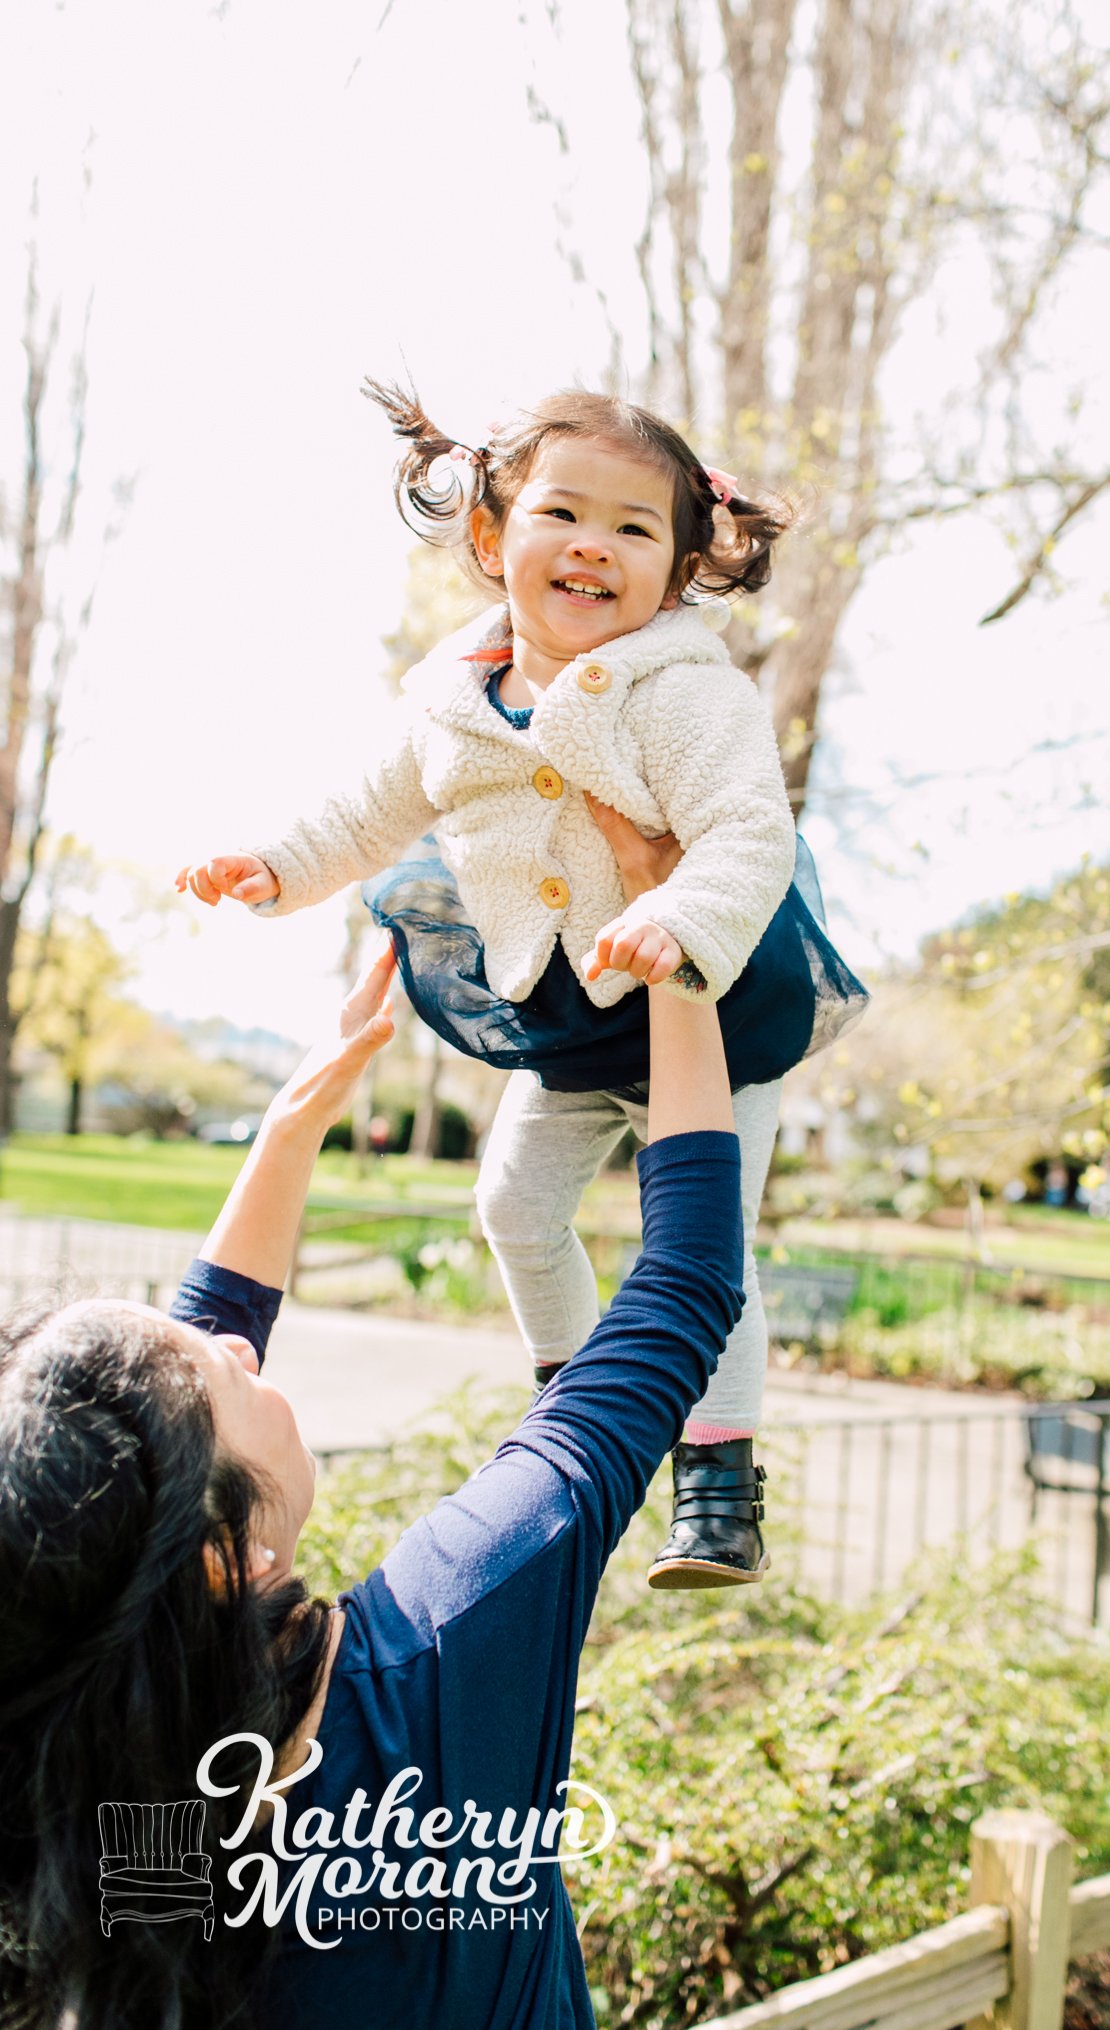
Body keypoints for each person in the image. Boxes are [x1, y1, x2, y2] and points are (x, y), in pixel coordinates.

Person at [0, 806, 748, 2030]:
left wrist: (292, 1125)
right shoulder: (450, 1646)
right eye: (226, 1372)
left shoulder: (123, 1799)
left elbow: (132, 1486)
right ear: (222, 1560)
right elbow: (685, 1286)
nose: (241, 1338)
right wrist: (678, 944)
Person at [176, 386, 867, 1589]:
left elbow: (747, 833)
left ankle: (717, 1477)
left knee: (709, 1242)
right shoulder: (449, 699)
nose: (596, 542)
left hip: (707, 1009)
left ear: (680, 570)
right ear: (495, 541)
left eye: (636, 528)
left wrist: (676, 916)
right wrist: (276, 866)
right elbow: (369, 810)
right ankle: (575, 1395)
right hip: (568, 1008)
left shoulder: (687, 690)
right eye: (564, 512)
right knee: (511, 1203)